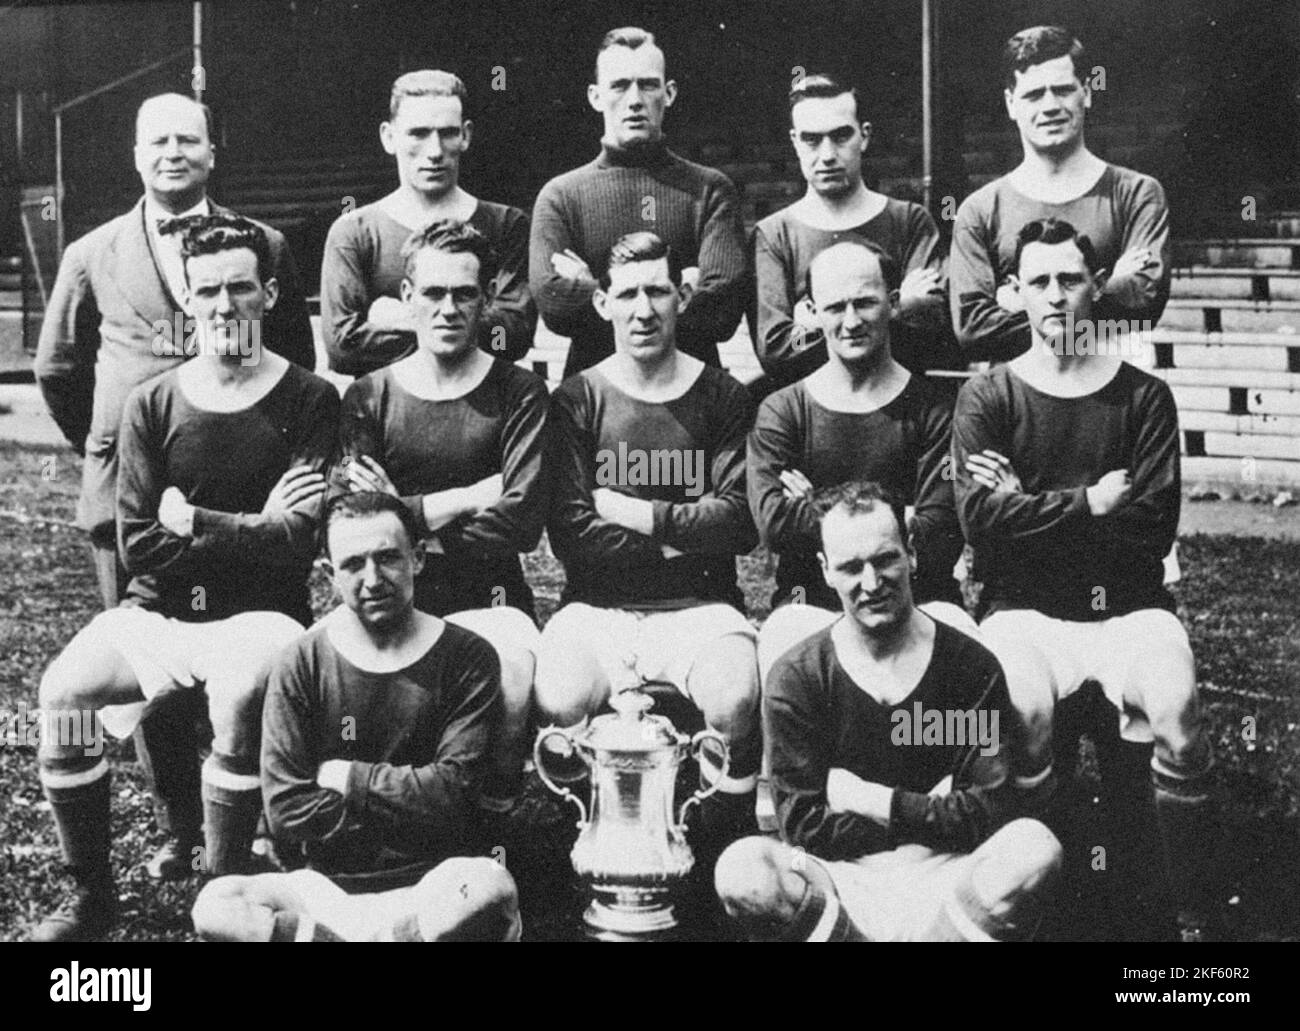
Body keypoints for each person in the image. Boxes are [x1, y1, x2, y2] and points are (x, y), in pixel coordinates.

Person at [33, 93, 315, 884]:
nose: (172, 153)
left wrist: (237, 500)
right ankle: (177, 825)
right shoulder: (93, 250)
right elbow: (58, 367)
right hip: (134, 488)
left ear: (212, 152)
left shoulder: (259, 245)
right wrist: (113, 449)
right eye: (156, 141)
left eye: (188, 139)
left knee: (243, 674)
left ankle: (248, 824)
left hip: (250, 480)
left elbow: (292, 358)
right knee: (150, 678)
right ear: (135, 155)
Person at [952, 217, 1218, 940]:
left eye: (1070, 278)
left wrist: (1026, 506)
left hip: (1130, 611)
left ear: (1097, 287)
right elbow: (978, 523)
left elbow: (1149, 531)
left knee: (1177, 708)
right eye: (1038, 280)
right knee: (1022, 707)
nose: (1055, 295)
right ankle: (1038, 897)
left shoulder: (1143, 397)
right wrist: (1089, 503)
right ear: (1013, 292)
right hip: (1024, 612)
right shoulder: (988, 398)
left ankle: (1190, 914)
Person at [714, 482, 1062, 941]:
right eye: (850, 567)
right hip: (834, 872)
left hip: (948, 869)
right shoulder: (798, 676)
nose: (871, 583)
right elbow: (803, 827)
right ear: (825, 571)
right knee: (741, 870)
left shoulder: (970, 667)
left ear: (911, 553)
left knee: (1036, 848)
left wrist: (870, 800)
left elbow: (985, 812)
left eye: (884, 560)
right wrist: (930, 812)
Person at [192, 491, 521, 942]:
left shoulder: (467, 656)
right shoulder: (301, 662)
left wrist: (349, 780)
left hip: (435, 884)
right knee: (218, 904)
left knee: (488, 887)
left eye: (387, 558)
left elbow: (456, 797)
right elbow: (287, 811)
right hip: (326, 890)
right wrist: (409, 798)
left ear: (417, 558)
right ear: (330, 575)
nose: (372, 579)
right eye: (352, 564)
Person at [537, 230, 761, 849]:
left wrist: (639, 515)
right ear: (602, 303)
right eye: (628, 294)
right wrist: (686, 531)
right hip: (596, 607)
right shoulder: (577, 398)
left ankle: (723, 847)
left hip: (700, 606)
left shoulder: (724, 395)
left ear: (682, 298)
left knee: (735, 696)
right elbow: (572, 534)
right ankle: (585, 848)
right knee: (558, 697)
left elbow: (739, 522)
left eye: (658, 292)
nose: (644, 310)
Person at [334, 220, 548, 811]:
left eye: (464, 294)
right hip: (386, 598)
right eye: (432, 293)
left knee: (510, 678)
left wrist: (399, 515)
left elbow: (521, 519)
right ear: (407, 297)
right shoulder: (368, 396)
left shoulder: (519, 393)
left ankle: (493, 824)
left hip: (490, 596)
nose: (448, 309)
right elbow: (350, 518)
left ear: (486, 300)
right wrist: (465, 497)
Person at [748, 240, 972, 688]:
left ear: (893, 304)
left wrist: (815, 504)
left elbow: (940, 533)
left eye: (865, 303)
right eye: (835, 307)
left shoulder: (936, 409)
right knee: (784, 669)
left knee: (963, 688)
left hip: (923, 602)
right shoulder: (783, 410)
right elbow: (775, 524)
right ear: (812, 312)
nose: (851, 321)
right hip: (810, 602)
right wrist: (899, 519)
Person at [529, 26, 747, 377]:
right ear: (595, 96)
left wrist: (595, 287)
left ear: (669, 93)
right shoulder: (561, 196)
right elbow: (554, 305)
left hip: (694, 394)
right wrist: (677, 292)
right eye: (619, 85)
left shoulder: (710, 190)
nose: (634, 100)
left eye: (647, 85)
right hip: (594, 395)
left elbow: (721, 312)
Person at [949, 26, 1170, 362]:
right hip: (1017, 390)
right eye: (1034, 95)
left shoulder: (1137, 193)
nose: (1050, 106)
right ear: (1011, 104)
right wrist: (1105, 288)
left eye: (1063, 90)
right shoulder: (979, 210)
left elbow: (1143, 304)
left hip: (1112, 385)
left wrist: (1023, 301)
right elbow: (974, 330)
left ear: (1087, 93)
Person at [321, 70, 535, 376]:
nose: (434, 151)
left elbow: (511, 338)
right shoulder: (355, 232)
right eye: (418, 133)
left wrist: (404, 317)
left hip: (484, 401)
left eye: (447, 133)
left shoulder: (506, 224)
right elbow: (343, 348)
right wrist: (465, 324)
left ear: (465, 136)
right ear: (389, 137)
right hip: (387, 402)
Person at [753, 73, 953, 394]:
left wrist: (817, 323)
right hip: (813, 409)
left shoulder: (909, 221)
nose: (827, 154)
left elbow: (934, 333)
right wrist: (900, 307)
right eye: (811, 139)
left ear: (865, 136)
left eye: (841, 136)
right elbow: (777, 350)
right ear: (795, 142)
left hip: (902, 404)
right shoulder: (774, 234)